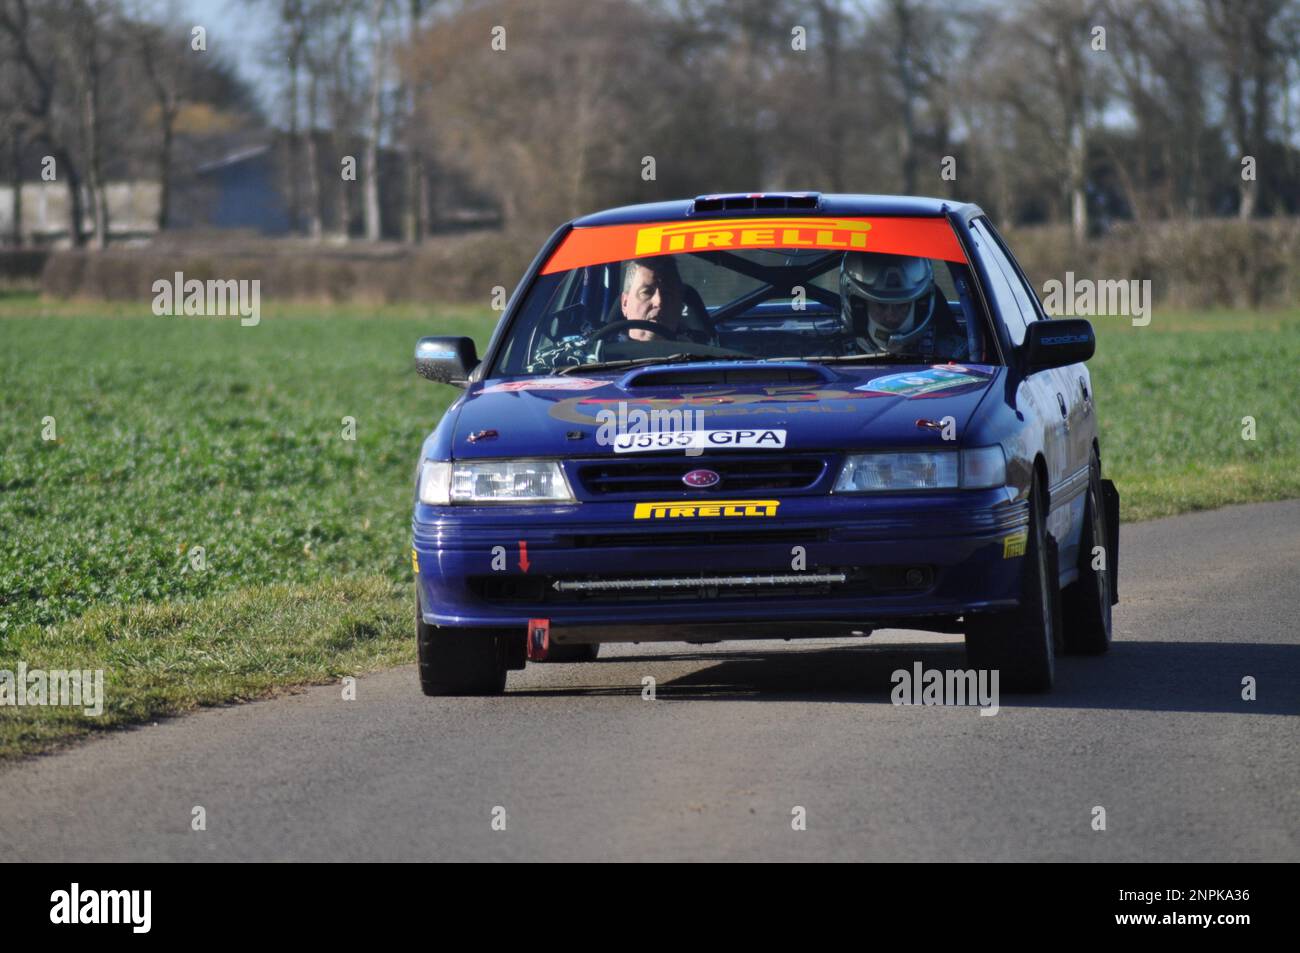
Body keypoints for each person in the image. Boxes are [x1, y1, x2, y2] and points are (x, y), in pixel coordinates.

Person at [839, 251, 968, 360]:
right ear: (858, 306)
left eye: (902, 305)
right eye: (881, 305)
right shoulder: (828, 358)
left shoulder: (957, 355)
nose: (891, 316)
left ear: (919, 306)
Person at [620, 257, 684, 342]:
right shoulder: (601, 353)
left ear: (680, 306)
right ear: (625, 303)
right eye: (647, 292)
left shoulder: (699, 353)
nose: (659, 301)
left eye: (667, 294)